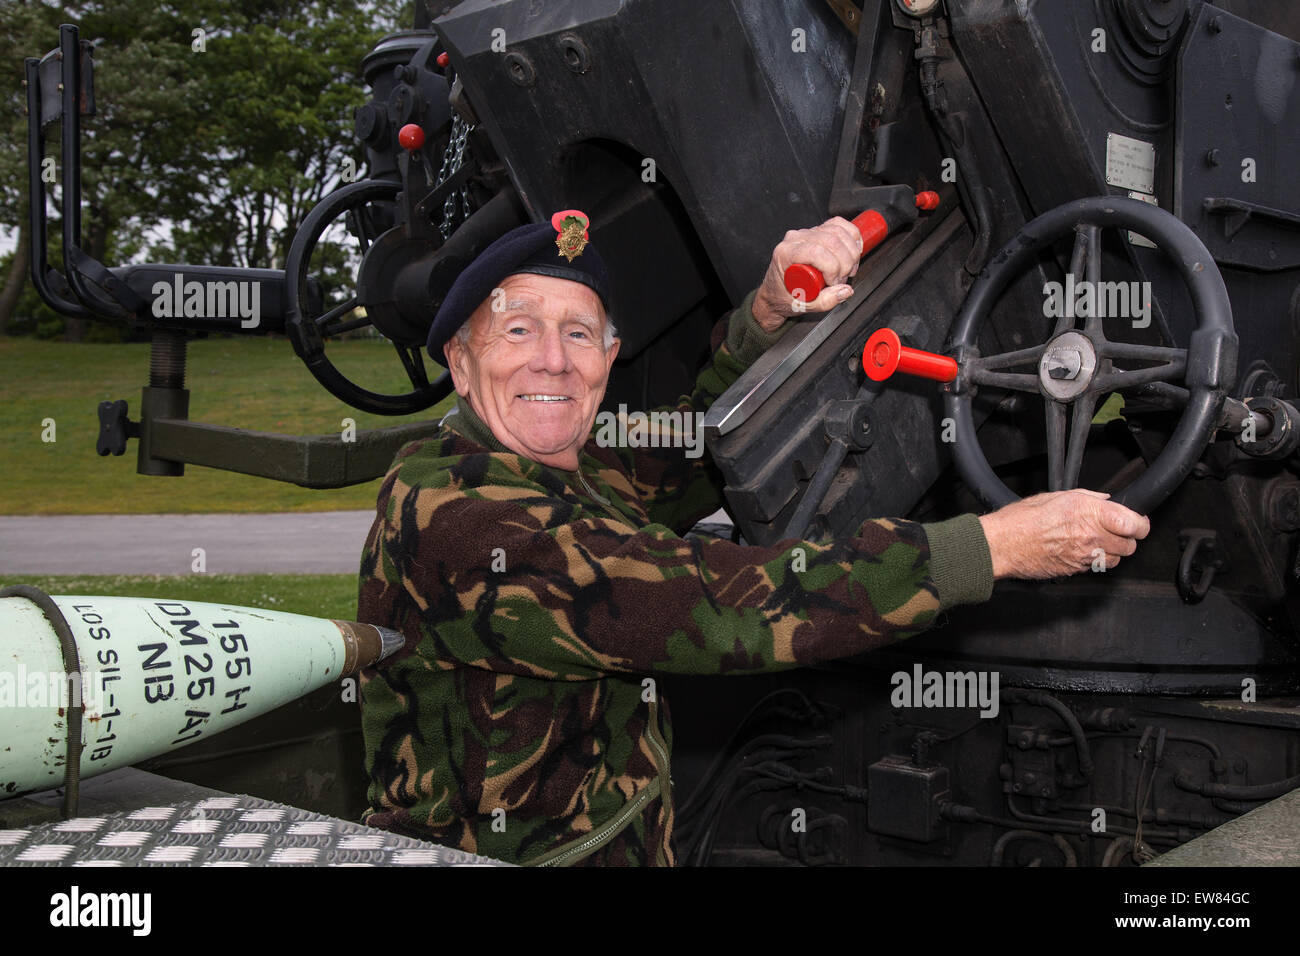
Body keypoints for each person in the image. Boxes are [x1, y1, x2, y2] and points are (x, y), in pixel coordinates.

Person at [355, 209, 1150, 866]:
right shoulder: (453, 514)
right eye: (518, 331)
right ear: (461, 364)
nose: (553, 363)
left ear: (608, 356)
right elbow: (708, 603)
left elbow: (689, 445)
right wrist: (990, 548)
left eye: (578, 334)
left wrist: (767, 314)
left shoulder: (559, 463)